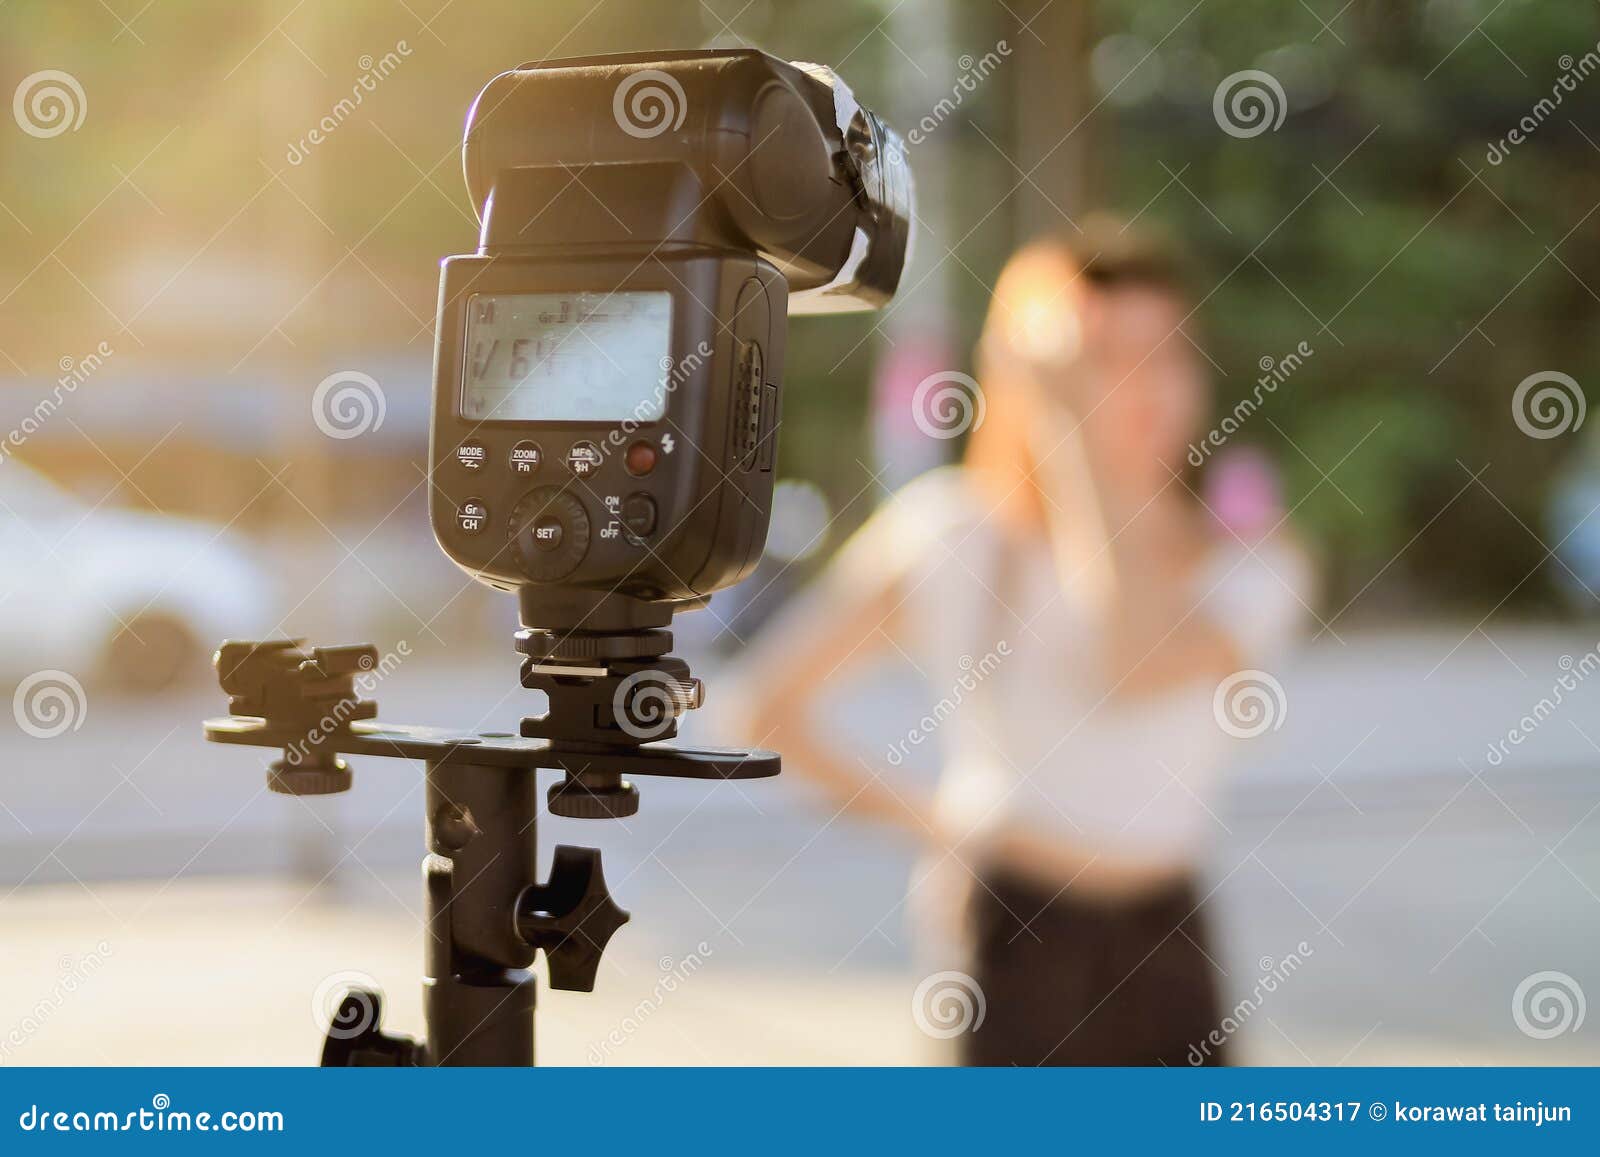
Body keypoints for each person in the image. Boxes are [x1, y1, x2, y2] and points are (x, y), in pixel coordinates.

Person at [737, 221, 1313, 1066]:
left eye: (1168, 353)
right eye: (1105, 358)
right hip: (1011, 927)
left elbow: (1135, 657)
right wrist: (941, 826)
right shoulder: (954, 534)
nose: (1146, 386)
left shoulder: (1247, 563)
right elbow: (764, 710)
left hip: (1170, 930)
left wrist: (1076, 438)